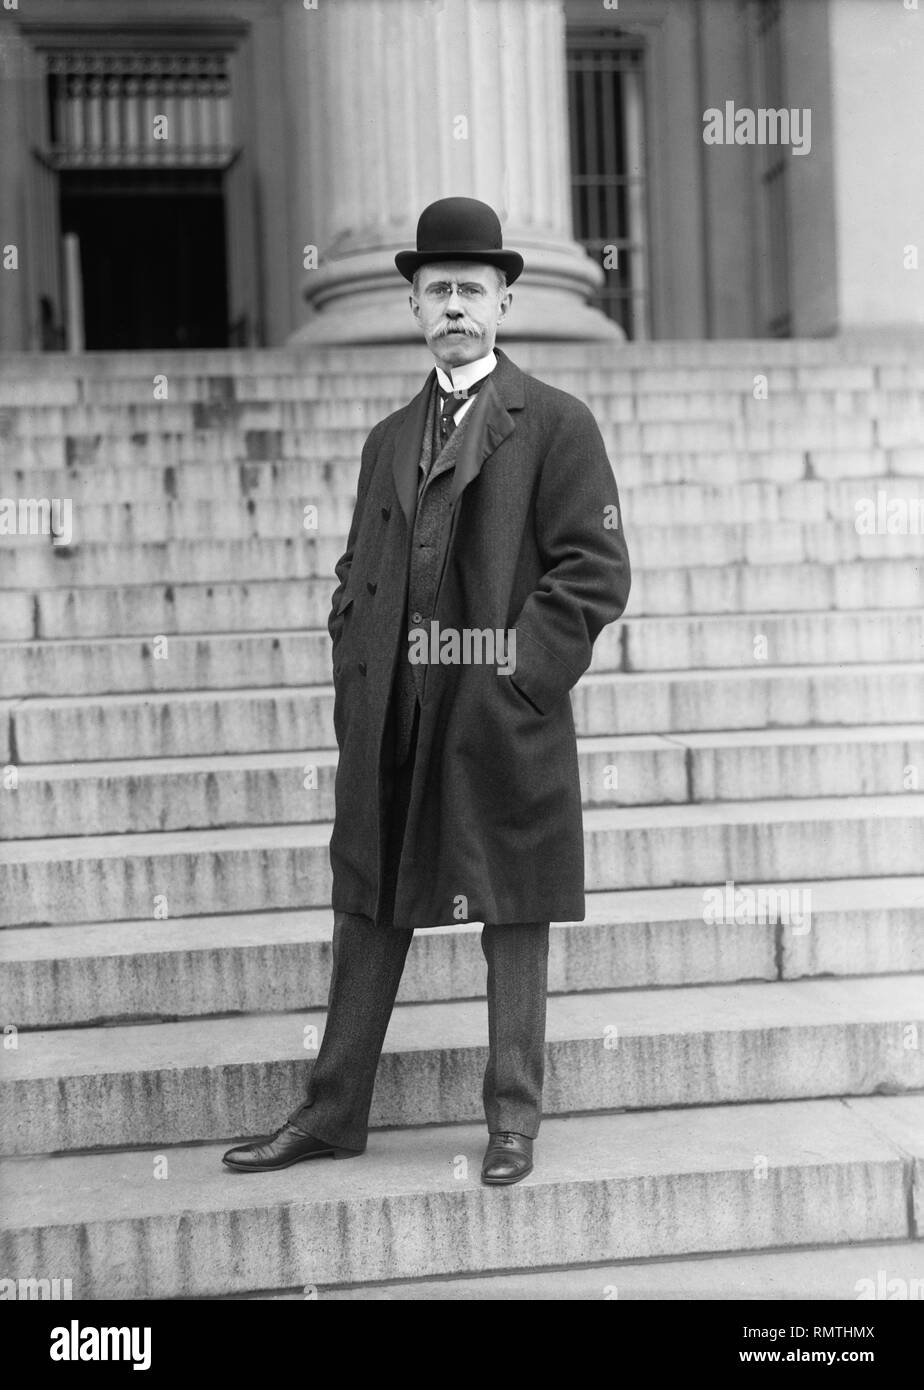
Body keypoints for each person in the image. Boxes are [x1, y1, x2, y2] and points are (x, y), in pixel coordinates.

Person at [223, 197, 631, 1185]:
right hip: (394, 709)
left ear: (502, 301)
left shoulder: (557, 425)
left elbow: (594, 570)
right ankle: (331, 1112)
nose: (454, 305)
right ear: (412, 305)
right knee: (368, 903)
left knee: (513, 908)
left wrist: (516, 672)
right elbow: (356, 569)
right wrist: (353, 660)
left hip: (494, 703)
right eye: (437, 290)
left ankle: (513, 1118)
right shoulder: (386, 438)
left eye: (471, 289)